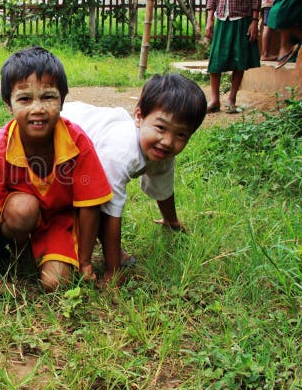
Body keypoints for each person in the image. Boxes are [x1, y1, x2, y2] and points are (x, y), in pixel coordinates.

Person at [0, 47, 113, 291]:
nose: (37, 108)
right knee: (22, 208)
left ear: (62, 100)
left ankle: (52, 253)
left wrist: (86, 262)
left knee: (56, 283)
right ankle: (21, 251)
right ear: (9, 105)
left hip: (61, 220)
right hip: (21, 216)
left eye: (48, 97)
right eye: (25, 99)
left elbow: (90, 206)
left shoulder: (77, 141)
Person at [61, 74, 207, 284]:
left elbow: (163, 189)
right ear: (139, 116)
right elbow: (109, 211)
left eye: (181, 135)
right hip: (62, 140)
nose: (168, 141)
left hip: (89, 142)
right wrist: (114, 270)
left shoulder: (161, 152)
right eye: (161, 128)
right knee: (84, 205)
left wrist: (171, 221)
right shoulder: (120, 153)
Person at [204, 0, 261, 114]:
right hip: (222, 18)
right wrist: (209, 20)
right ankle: (214, 99)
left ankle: (231, 98)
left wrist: (255, 22)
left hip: (243, 19)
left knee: (239, 60)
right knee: (216, 60)